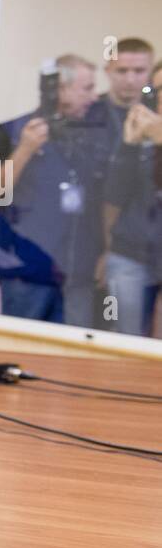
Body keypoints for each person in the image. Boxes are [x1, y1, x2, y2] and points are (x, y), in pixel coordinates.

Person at [0, 54, 113, 325]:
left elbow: (106, 199)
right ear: (61, 89)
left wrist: (107, 251)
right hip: (26, 273)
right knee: (22, 355)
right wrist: (25, 149)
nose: (94, 97)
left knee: (73, 361)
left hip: (79, 274)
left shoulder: (95, 135)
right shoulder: (11, 131)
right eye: (87, 88)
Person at [98, 41, 159, 336]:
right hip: (127, 251)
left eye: (139, 71)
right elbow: (113, 195)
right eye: (123, 70)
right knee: (123, 337)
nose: (131, 79)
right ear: (108, 69)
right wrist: (130, 147)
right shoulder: (94, 115)